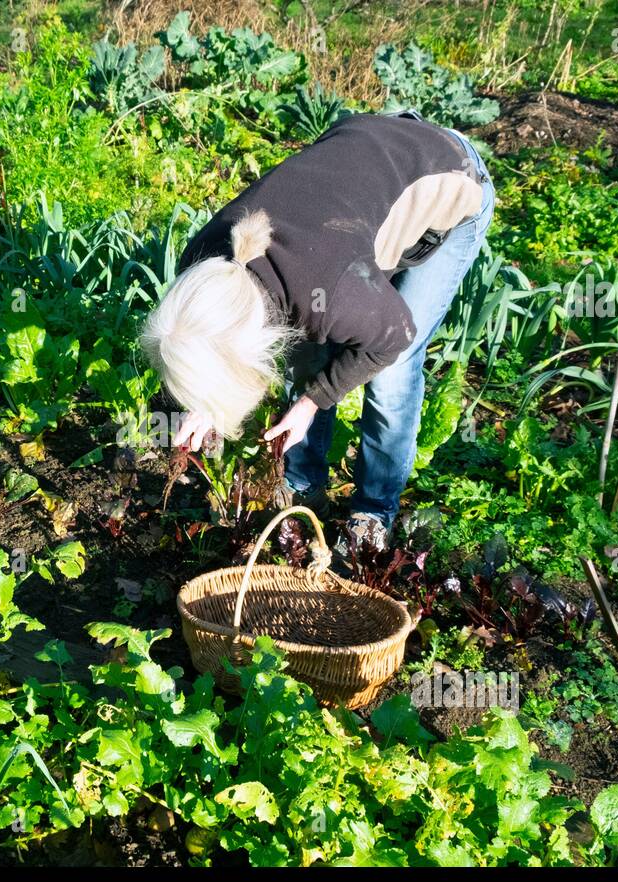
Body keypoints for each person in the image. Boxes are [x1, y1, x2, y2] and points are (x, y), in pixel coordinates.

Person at [140, 110, 495, 551]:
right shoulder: (205, 263)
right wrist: (204, 401)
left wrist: (313, 401)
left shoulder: (329, 286)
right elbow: (215, 342)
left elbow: (393, 335)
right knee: (307, 350)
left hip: (447, 175)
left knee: (391, 372)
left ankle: (373, 510)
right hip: (362, 162)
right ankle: (304, 486)